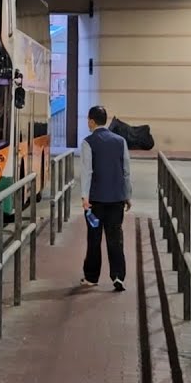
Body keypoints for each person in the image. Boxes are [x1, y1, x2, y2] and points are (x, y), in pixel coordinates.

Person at [79, 105, 132, 291]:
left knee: (94, 238)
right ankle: (118, 276)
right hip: (117, 200)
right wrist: (127, 195)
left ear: (92, 121)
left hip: (95, 203)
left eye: (88, 120)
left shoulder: (88, 142)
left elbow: (87, 172)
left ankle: (92, 277)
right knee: (115, 237)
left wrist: (85, 197)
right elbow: (126, 171)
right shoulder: (120, 141)